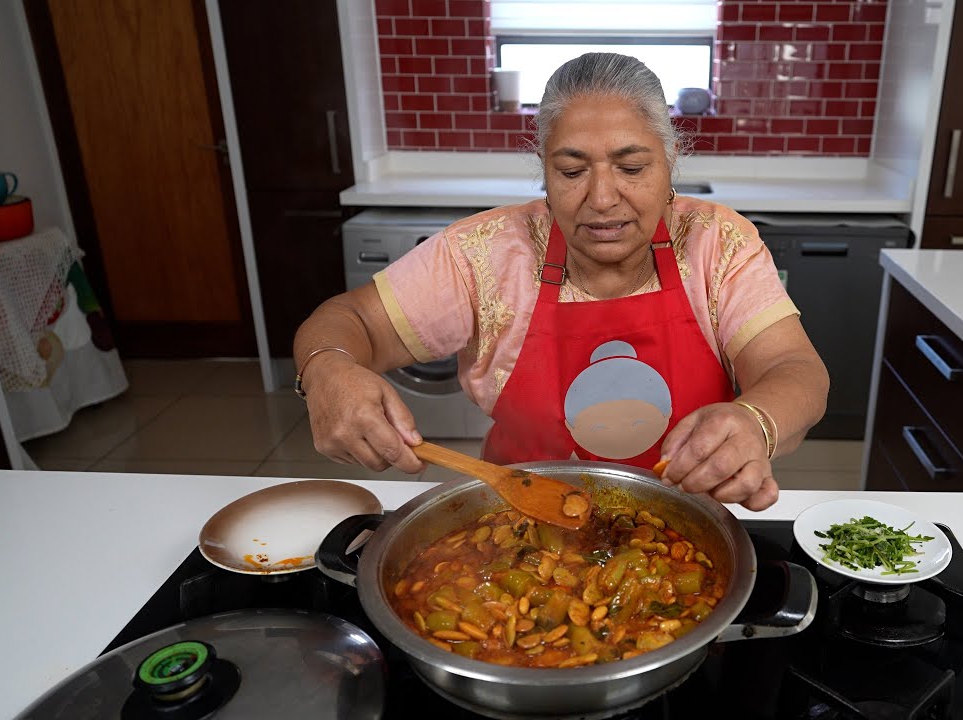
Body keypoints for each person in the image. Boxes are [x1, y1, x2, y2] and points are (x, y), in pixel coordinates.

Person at [293, 53, 829, 511]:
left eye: (632, 167)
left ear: (670, 163)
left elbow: (795, 370)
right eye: (572, 171)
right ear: (544, 172)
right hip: (517, 529)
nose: (601, 199)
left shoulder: (717, 242)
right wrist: (327, 369)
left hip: (690, 530)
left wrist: (756, 422)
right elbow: (352, 319)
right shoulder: (487, 252)